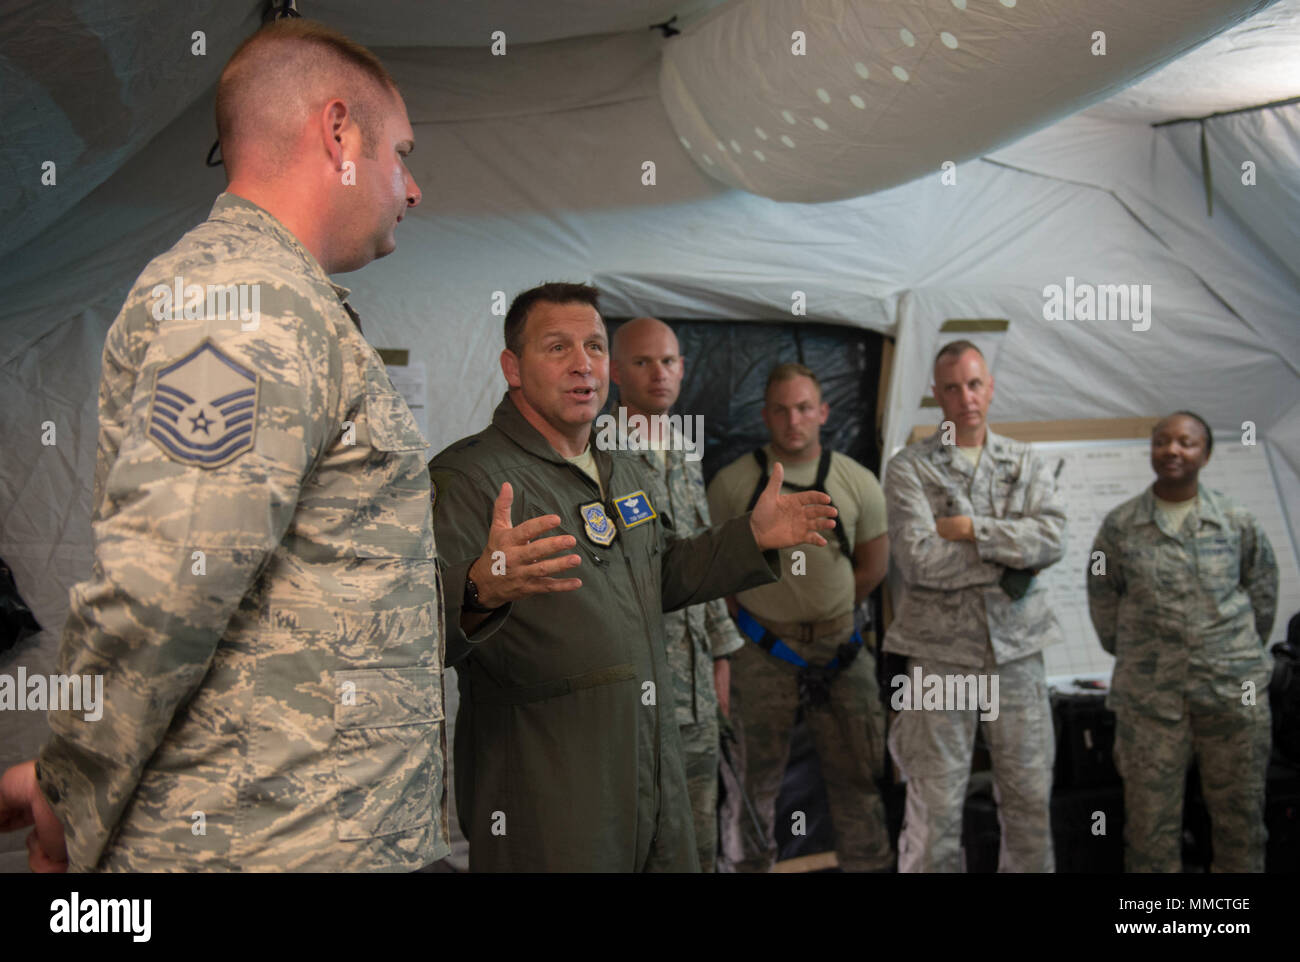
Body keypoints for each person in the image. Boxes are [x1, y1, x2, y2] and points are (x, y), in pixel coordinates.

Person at [0, 20, 564, 872]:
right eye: (400, 153)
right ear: (338, 133)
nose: (410, 190)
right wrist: (70, 793)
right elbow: (168, 587)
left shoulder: (290, 306)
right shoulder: (243, 303)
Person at [427, 283, 838, 872]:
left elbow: (662, 571)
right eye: (557, 347)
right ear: (512, 367)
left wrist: (750, 536)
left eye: (594, 346)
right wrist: (478, 587)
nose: (581, 363)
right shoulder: (471, 478)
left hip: (651, 763)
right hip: (548, 783)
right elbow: (414, 632)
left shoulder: (623, 469)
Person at [883, 340, 1066, 872]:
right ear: (936, 395)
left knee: (1030, 800)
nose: (966, 396)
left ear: (990, 387)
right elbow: (919, 560)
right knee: (935, 808)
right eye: (953, 387)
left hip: (1018, 653)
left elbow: (1053, 539)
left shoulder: (1025, 461)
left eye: (975, 383)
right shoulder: (911, 468)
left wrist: (970, 531)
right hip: (941, 658)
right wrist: (1013, 557)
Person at [708, 362, 893, 872]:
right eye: (783, 410)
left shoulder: (857, 482)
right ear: (766, 416)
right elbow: (713, 574)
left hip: (841, 651)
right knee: (751, 784)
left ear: (823, 412)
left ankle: (870, 865)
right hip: (761, 653)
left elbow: (874, 566)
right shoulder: (733, 484)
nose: (795, 420)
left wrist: (826, 612)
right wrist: (760, 625)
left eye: (805, 408)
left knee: (858, 778)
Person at [1088, 411, 1277, 872]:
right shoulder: (1120, 525)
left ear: (1205, 454)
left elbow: (1263, 590)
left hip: (1231, 696)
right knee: (1150, 829)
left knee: (1241, 822)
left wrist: (1233, 653)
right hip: (1150, 704)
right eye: (1162, 441)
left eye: (1186, 443)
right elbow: (1101, 589)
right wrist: (1135, 652)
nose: (1172, 450)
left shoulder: (1236, 521)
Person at [608, 316, 746, 872]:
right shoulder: (598, 454)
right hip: (635, 688)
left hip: (696, 686)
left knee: (698, 841)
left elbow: (703, 555)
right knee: (639, 841)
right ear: (615, 372)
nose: (658, 374)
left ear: (683, 369)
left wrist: (720, 652)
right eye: (642, 362)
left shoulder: (685, 448)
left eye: (668, 361)